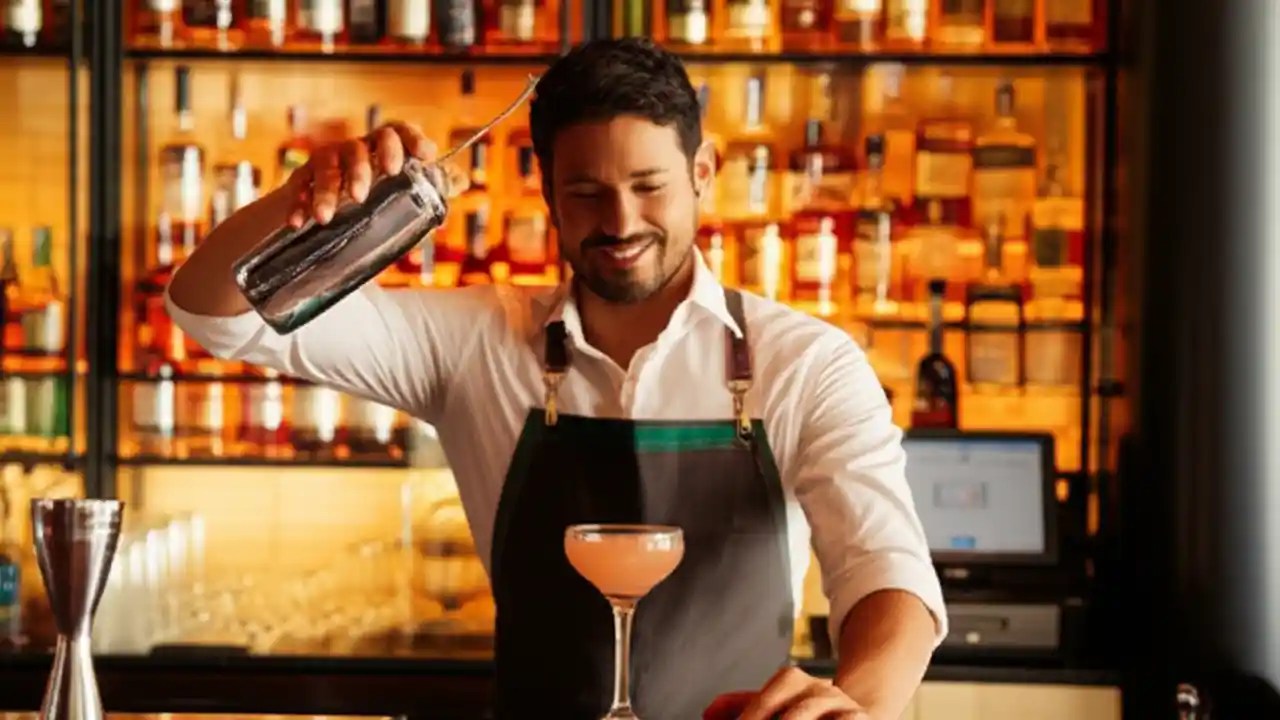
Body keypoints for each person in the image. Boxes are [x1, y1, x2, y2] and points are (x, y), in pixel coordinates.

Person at [168, 38, 947, 720]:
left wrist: (859, 702)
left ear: (702, 173)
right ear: (547, 192)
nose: (620, 221)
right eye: (587, 193)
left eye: (649, 186)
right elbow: (217, 315)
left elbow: (885, 569)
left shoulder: (806, 361)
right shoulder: (477, 344)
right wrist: (303, 201)